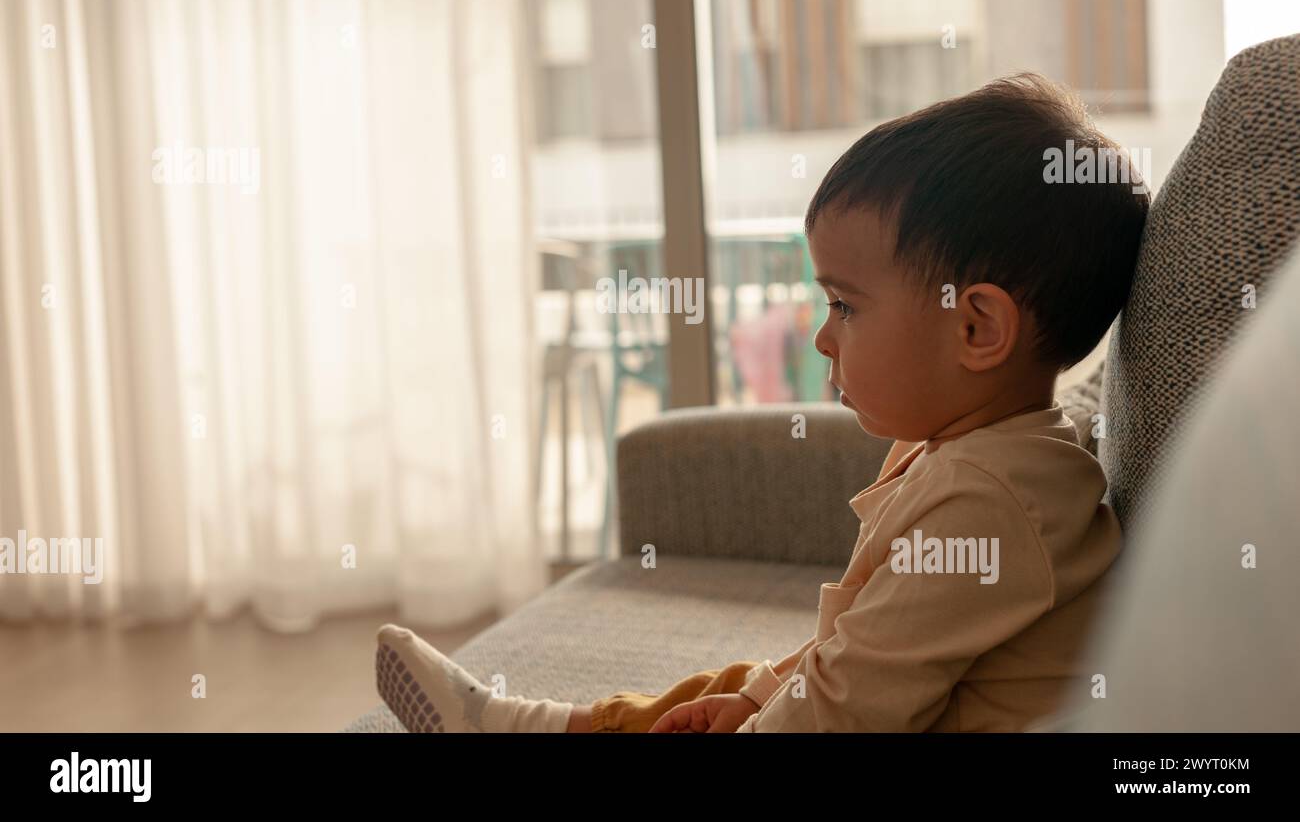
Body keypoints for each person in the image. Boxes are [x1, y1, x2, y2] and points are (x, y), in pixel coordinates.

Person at [375, 74, 1149, 732]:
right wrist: (749, 698)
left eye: (845, 305)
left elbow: (846, 710)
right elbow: (850, 648)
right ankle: (550, 724)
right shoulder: (975, 450)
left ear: (976, 326)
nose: (822, 337)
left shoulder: (993, 502)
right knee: (754, 678)